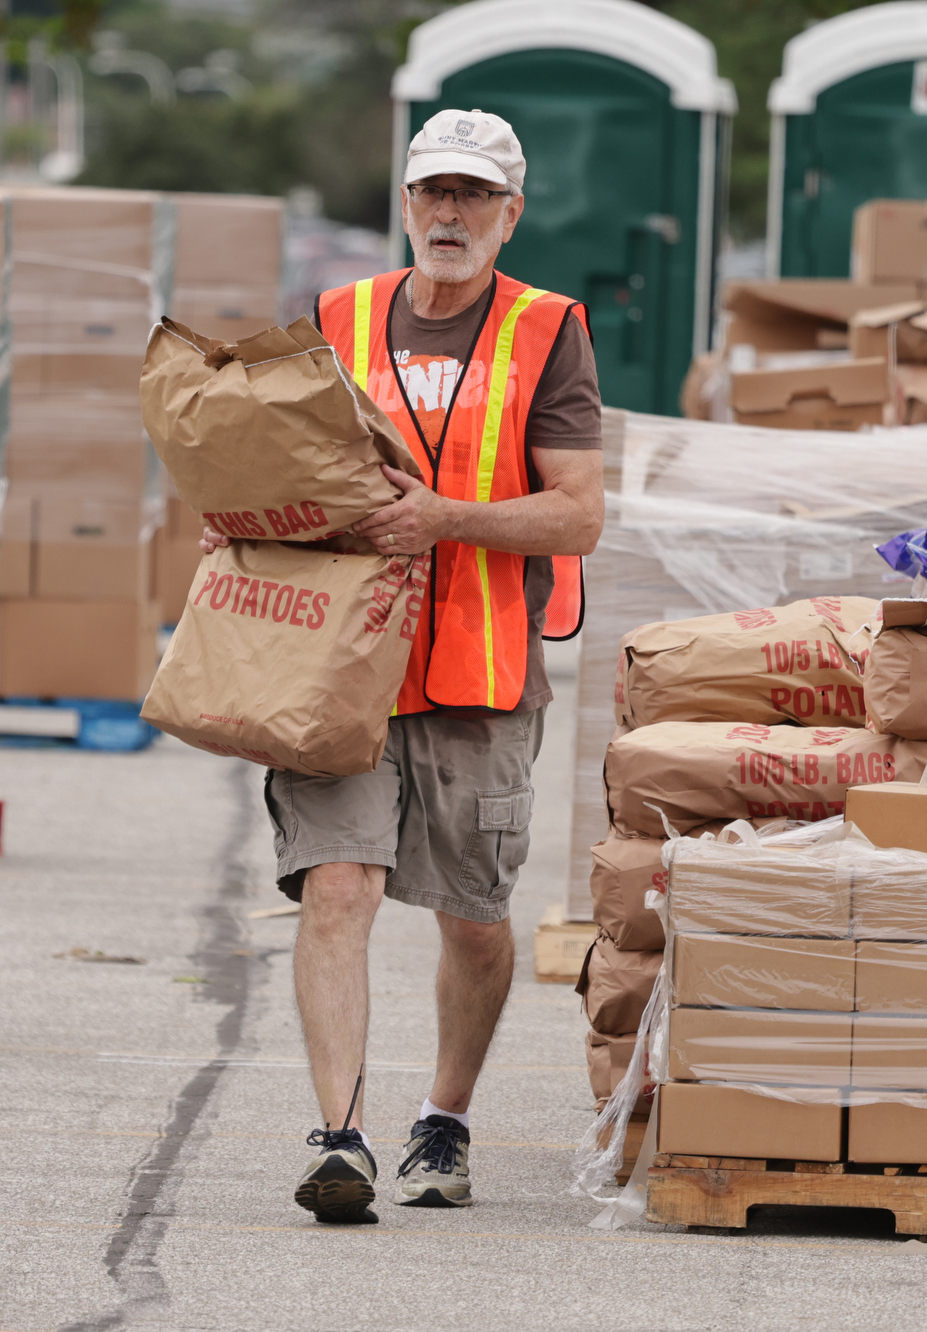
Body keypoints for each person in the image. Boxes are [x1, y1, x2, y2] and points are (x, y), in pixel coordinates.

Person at [198, 108, 604, 1223]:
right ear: (407, 203)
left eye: (474, 196)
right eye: (434, 192)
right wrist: (241, 520)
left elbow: (575, 518)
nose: (450, 213)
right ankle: (341, 1137)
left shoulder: (545, 330)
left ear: (509, 216)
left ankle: (444, 1118)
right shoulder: (338, 314)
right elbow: (279, 456)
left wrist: (445, 519)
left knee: (470, 917)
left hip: (479, 671)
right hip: (337, 668)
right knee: (336, 887)